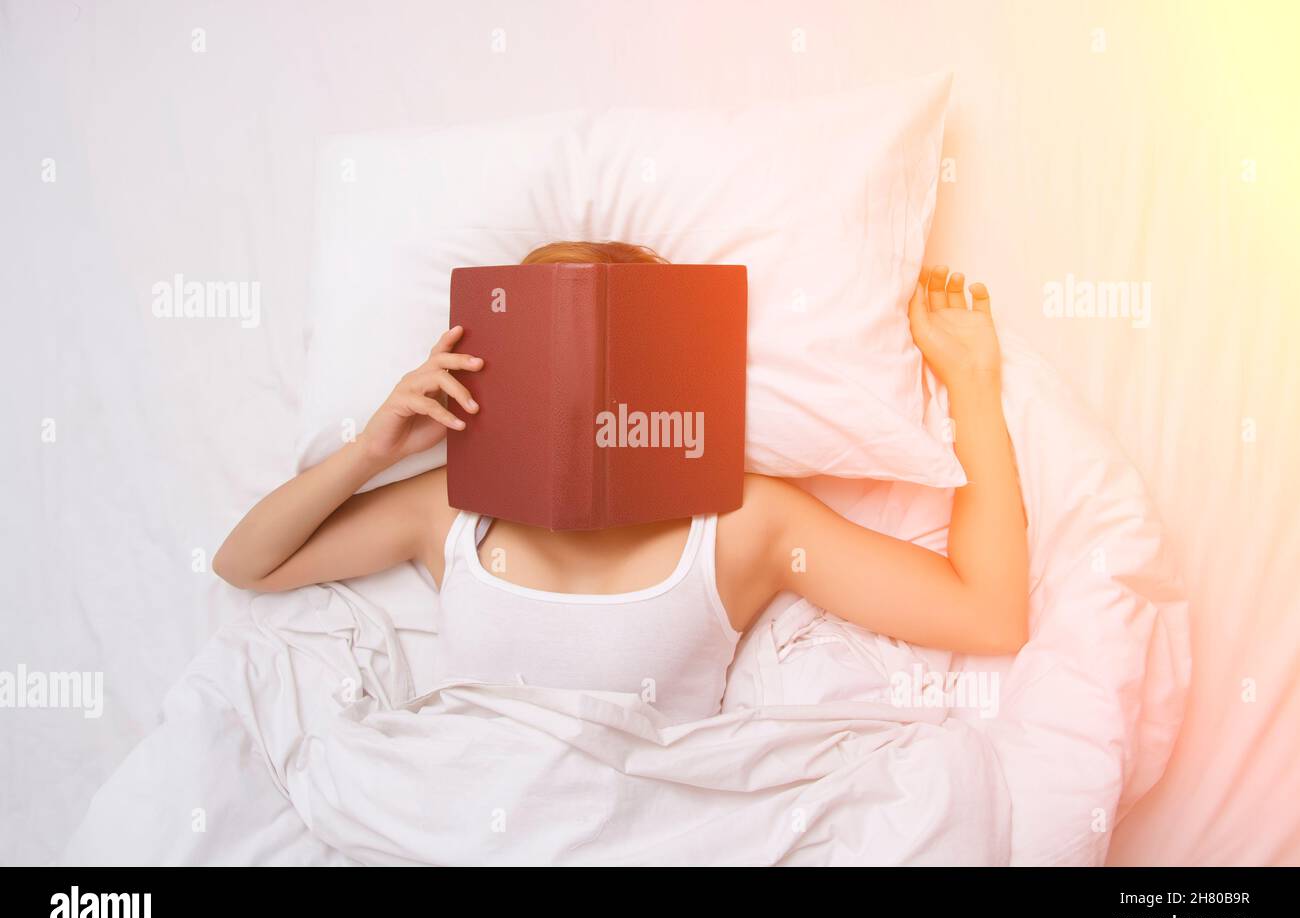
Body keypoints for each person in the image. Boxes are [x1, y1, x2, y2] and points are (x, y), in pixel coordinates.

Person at [214, 241, 1028, 723]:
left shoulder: (743, 522)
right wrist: (373, 450)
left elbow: (985, 615)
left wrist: (974, 387)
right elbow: (248, 563)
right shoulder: (453, 514)